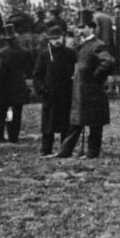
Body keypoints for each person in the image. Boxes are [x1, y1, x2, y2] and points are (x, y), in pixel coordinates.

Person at [57, 16, 116, 159]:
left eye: (82, 27)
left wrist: (94, 76)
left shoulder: (97, 44)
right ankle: (65, 152)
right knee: (77, 122)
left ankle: (92, 153)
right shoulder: (82, 44)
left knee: (94, 123)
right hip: (81, 90)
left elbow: (108, 61)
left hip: (92, 90)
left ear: (91, 27)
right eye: (78, 27)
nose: (79, 30)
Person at [33, 24, 76, 156]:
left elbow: (76, 71)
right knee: (48, 124)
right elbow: (37, 75)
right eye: (54, 38)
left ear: (63, 37)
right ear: (49, 40)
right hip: (50, 94)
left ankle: (64, 149)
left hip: (66, 93)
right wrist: (42, 90)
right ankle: (46, 149)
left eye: (59, 37)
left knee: (65, 123)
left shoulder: (70, 53)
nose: (57, 41)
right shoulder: (45, 54)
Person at [0, 28, 31, 143]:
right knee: (17, 111)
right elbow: (28, 69)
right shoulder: (24, 52)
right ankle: (14, 136)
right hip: (19, 84)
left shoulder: (2, 53)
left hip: (4, 86)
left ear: (6, 40)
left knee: (1, 111)